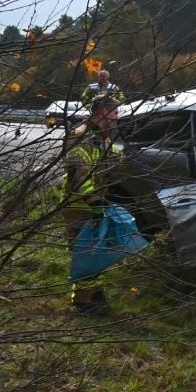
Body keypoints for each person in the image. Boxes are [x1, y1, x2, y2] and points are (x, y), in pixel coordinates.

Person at [62, 94, 121, 313]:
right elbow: (79, 179)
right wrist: (95, 204)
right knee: (85, 253)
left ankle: (93, 293)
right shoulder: (80, 137)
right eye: (115, 112)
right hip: (80, 206)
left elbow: (112, 157)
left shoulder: (100, 137)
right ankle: (83, 301)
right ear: (103, 112)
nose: (117, 117)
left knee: (96, 252)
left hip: (95, 204)